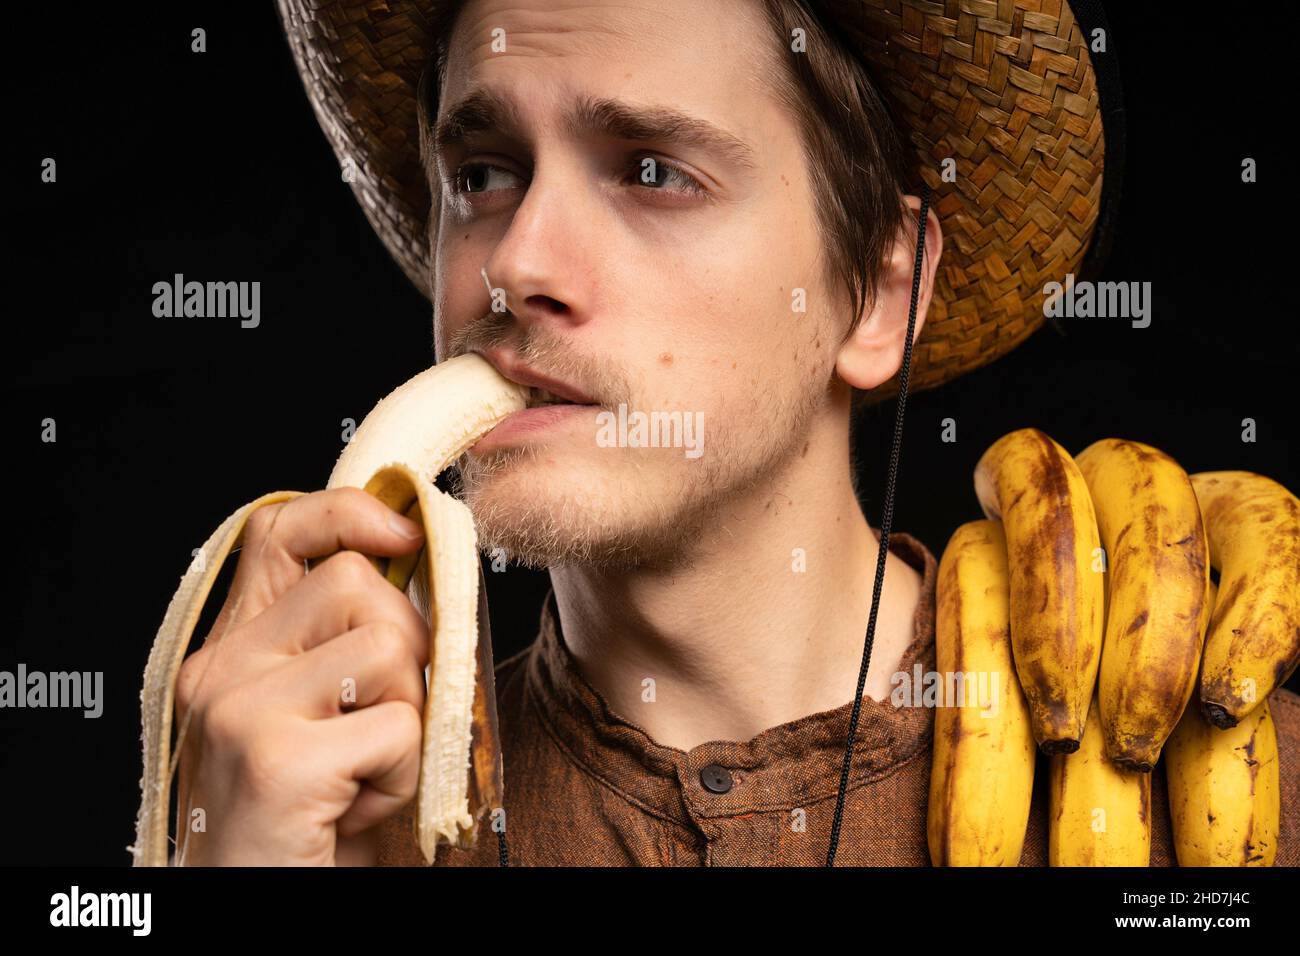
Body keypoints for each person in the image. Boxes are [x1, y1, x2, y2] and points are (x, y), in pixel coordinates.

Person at [167, 0, 1298, 865]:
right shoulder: (309, 806)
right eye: (482, 174)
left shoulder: (1215, 792)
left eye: (653, 171)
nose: (514, 264)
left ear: (879, 292)